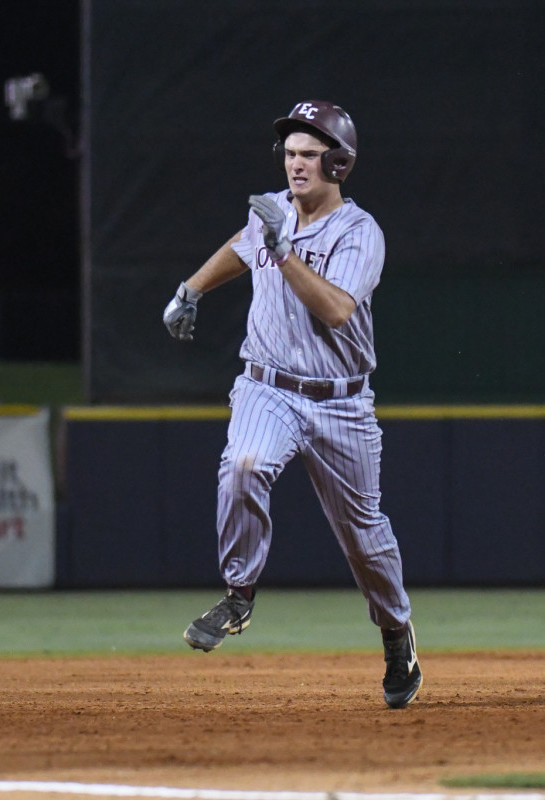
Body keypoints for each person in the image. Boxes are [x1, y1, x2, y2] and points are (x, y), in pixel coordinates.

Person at [162, 100, 421, 709]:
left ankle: (395, 633)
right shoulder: (273, 212)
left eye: (308, 154)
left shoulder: (361, 232)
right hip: (268, 385)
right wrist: (192, 287)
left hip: (341, 403)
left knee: (365, 538)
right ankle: (240, 593)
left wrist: (284, 253)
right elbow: (242, 242)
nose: (295, 164)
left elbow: (335, 311)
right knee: (245, 464)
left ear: (340, 163)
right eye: (289, 153)